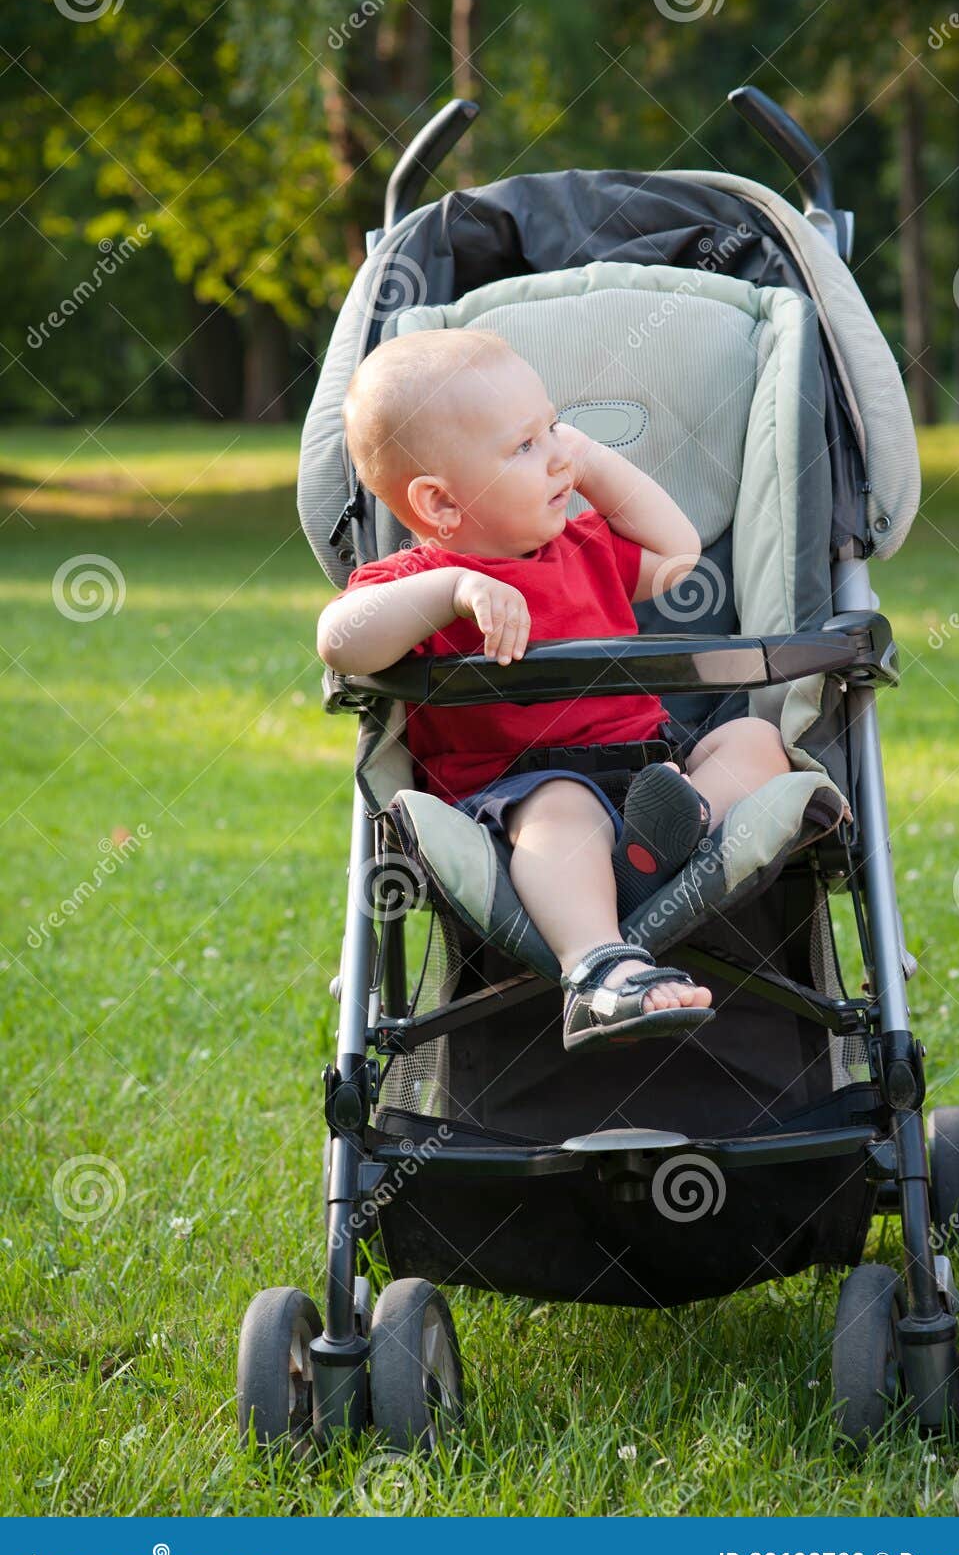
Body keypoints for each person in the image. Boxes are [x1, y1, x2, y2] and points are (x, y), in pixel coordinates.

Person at [317, 327, 795, 1052]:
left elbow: (676, 554)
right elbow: (340, 639)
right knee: (562, 806)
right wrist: (451, 589)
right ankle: (600, 971)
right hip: (524, 794)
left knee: (754, 739)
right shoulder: (418, 582)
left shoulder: (582, 550)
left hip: (648, 773)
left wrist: (590, 459)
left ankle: (675, 830)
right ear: (440, 504)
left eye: (552, 429)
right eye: (524, 448)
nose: (556, 457)